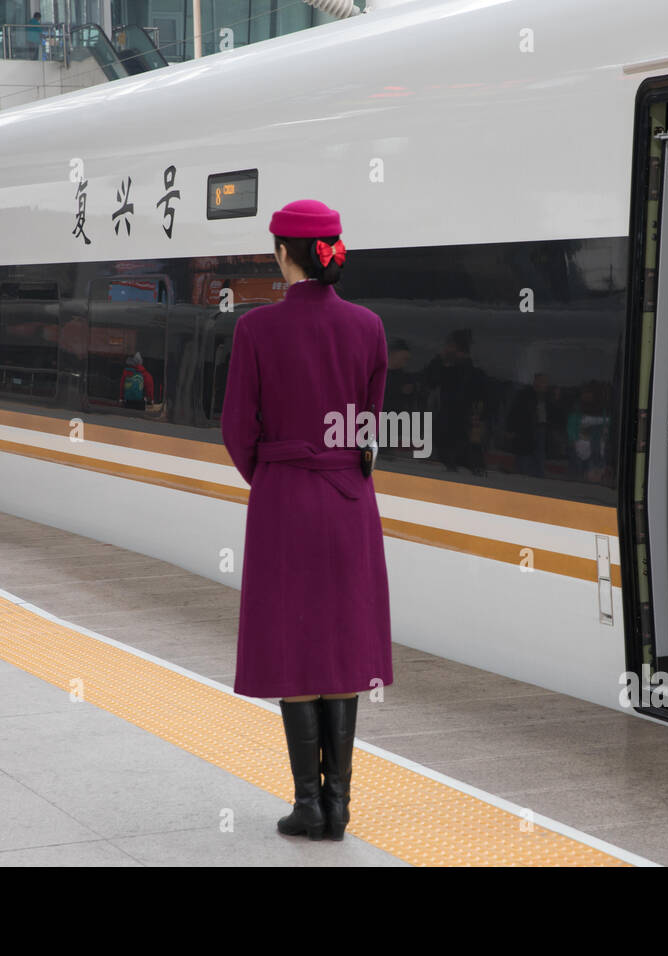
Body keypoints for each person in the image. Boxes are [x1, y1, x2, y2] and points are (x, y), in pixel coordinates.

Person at [221, 199, 393, 842]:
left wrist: (275, 476)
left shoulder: (255, 330)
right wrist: (343, 470)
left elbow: (238, 430)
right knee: (341, 643)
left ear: (283, 255)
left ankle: (308, 805)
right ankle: (341, 805)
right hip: (350, 501)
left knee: (294, 643)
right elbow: (369, 424)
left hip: (284, 503)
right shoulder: (370, 327)